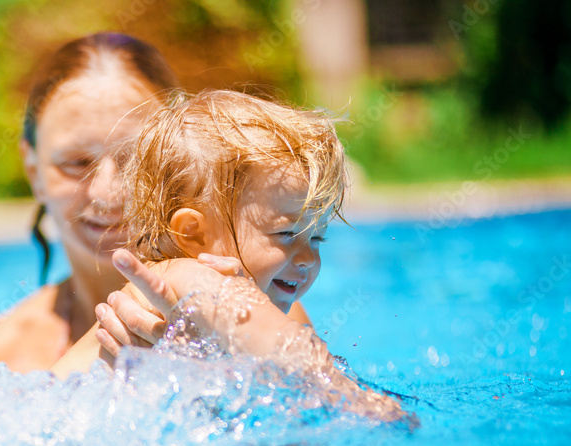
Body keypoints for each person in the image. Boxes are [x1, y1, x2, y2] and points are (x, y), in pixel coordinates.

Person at [0, 33, 313, 380]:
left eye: (135, 158)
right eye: (77, 162)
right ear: (34, 171)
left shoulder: (257, 320)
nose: (107, 193)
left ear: (181, 165)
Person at [50, 89, 408, 422]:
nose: (308, 259)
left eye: (317, 239)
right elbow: (311, 374)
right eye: (286, 233)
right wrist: (366, 403)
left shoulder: (257, 307)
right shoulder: (186, 276)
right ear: (192, 233)